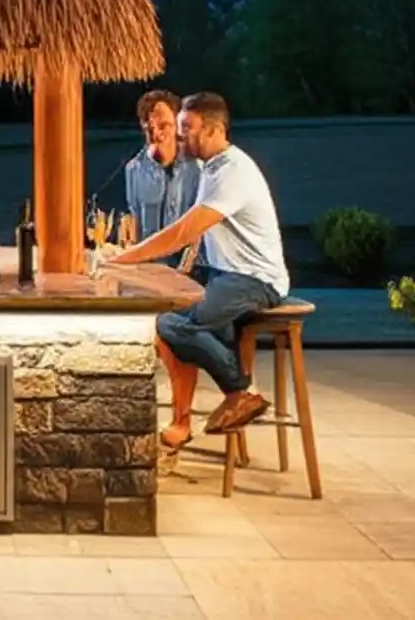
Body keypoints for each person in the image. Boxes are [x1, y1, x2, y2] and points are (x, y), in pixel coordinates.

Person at [104, 91, 289, 451]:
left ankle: (242, 392)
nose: (179, 134)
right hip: (225, 274)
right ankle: (225, 399)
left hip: (254, 278)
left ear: (215, 130)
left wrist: (128, 257)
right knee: (178, 322)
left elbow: (185, 231)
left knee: (174, 324)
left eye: (186, 128)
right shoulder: (213, 167)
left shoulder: (232, 171)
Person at [124, 90, 201, 266]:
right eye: (148, 125)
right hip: (150, 269)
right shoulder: (133, 170)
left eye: (163, 125)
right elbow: (134, 225)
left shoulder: (198, 167)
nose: (155, 131)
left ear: (176, 125)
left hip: (193, 271)